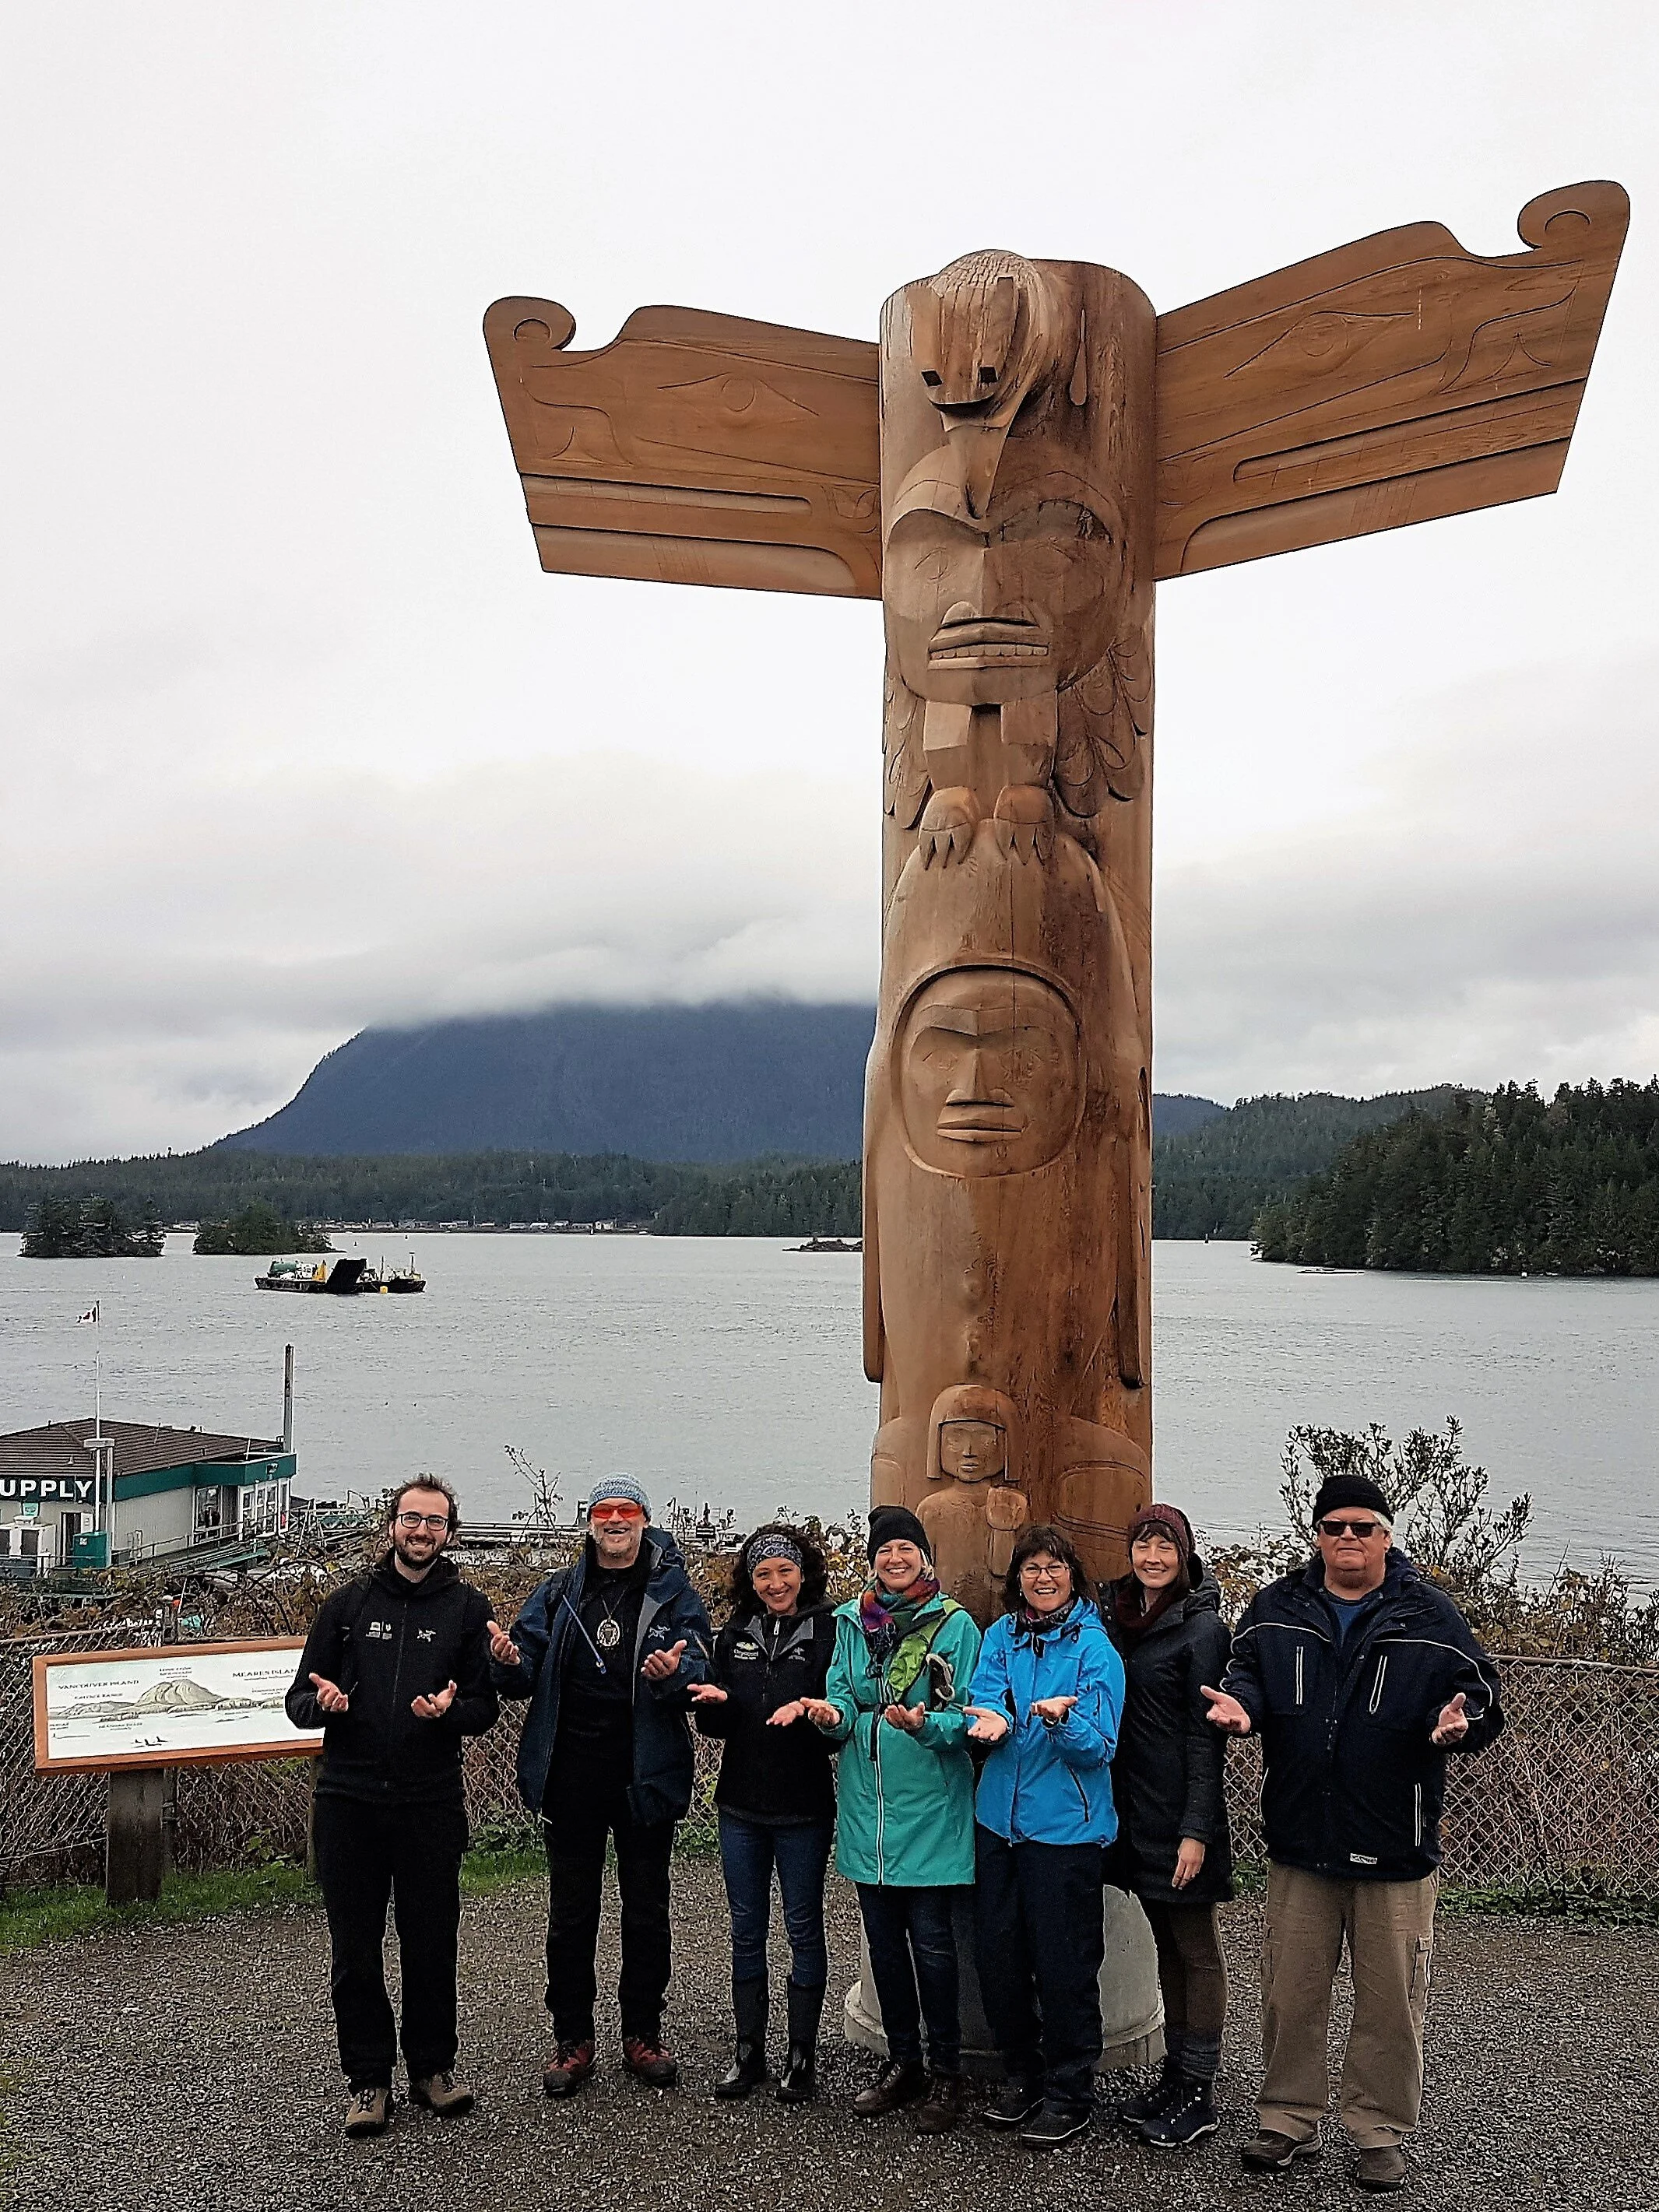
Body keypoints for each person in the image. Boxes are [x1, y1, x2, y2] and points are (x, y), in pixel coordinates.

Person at [1204, 1473, 1505, 2195]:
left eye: (1362, 1527)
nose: (1347, 1538)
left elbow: (1482, 1697)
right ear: (1315, 1534)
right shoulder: (1276, 1607)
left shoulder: (1428, 1614)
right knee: (1289, 1991)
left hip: (1394, 1847)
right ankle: (1287, 2116)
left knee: (1391, 2002)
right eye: (1334, 1526)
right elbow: (1244, 1672)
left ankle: (1376, 2130)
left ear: (1386, 1536)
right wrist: (1241, 1710)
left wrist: (1461, 1727)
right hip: (1300, 1840)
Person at [285, 1476, 498, 2139]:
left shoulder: (467, 1608)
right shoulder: (346, 1605)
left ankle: (433, 2070)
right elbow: (297, 1702)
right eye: (411, 1519)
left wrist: (446, 1713)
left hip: (430, 1802)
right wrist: (322, 1704)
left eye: (435, 1523)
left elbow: (484, 1708)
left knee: (430, 1942)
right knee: (354, 1948)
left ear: (450, 1534)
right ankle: (368, 2079)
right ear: (391, 1526)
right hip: (348, 1800)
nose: (421, 1531)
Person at [488, 1476, 711, 2096]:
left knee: (646, 1914)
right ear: (589, 1522)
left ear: (644, 1519)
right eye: (603, 1511)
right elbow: (523, 1665)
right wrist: (506, 1661)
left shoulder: (673, 1592)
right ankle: (572, 2039)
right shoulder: (558, 1591)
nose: (615, 1520)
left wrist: (674, 1674)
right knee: (570, 1916)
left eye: (627, 1510)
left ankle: (642, 2032)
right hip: (571, 1777)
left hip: (645, 1775)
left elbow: (702, 1665)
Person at [806, 1505, 981, 2133]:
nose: (895, 1559)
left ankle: (947, 2073)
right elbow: (843, 1696)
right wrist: (831, 1718)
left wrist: (924, 1724)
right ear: (873, 1558)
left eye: (906, 1549)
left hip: (929, 1805)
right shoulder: (853, 1621)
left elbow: (966, 1716)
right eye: (885, 1551)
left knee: (933, 1946)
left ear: (924, 1557)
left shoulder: (953, 1624)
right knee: (883, 1944)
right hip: (866, 1805)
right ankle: (903, 2063)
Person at [964, 1523, 1124, 2151]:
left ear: (1072, 1577)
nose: (1043, 1578)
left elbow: (1099, 1748)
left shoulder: (1094, 1650)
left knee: (1064, 1967)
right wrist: (989, 1725)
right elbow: (987, 1701)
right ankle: (1022, 2075)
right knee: (999, 1961)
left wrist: (1061, 1723)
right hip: (998, 1824)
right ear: (1017, 1579)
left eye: (1054, 1567)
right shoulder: (1001, 1635)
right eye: (1031, 1568)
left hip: (1066, 1831)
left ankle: (1069, 2090)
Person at [689, 1523, 838, 2104]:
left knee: (802, 1927)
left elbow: (837, 1723)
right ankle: (747, 2049)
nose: (775, 1583)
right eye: (762, 1573)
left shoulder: (828, 1630)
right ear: (749, 1580)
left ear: (803, 1572)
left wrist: (820, 1716)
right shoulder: (735, 1632)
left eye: (784, 1570)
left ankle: (801, 2054)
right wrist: (713, 1705)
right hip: (740, 1805)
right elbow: (718, 1720)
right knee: (746, 1930)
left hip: (803, 1806)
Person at [1105, 1501, 1235, 2150]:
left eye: (1164, 1548)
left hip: (1181, 1814)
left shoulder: (1202, 1629)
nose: (1151, 1558)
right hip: (1135, 1812)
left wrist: (1196, 1829)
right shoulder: (1122, 1618)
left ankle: (1198, 2091)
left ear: (1183, 1555)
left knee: (1196, 1952)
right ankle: (1173, 2077)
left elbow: (1204, 1740)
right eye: (1142, 1546)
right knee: (1163, 1944)